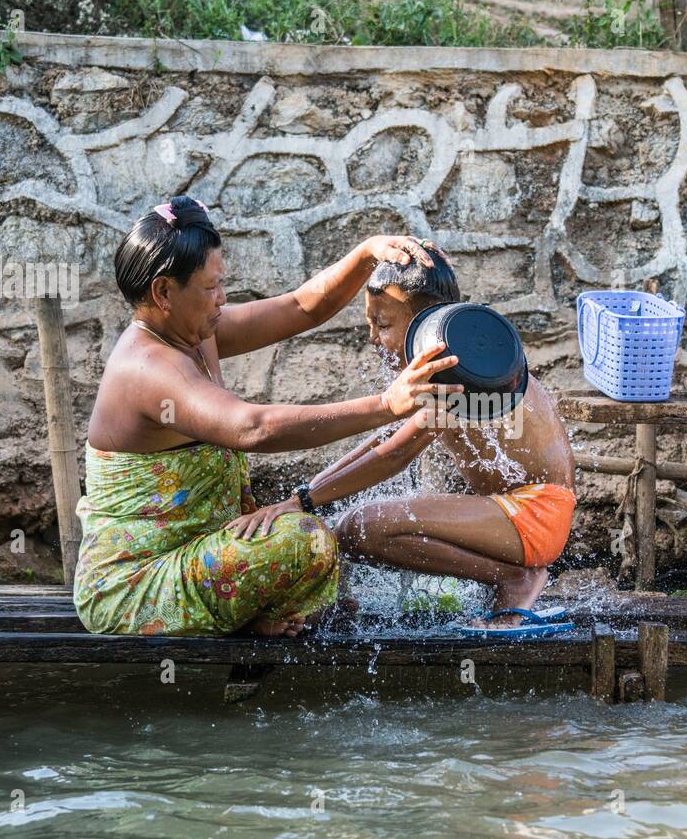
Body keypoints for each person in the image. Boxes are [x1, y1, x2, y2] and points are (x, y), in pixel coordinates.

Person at [73, 195, 460, 637]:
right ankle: (248, 623)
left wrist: (368, 252)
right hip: (132, 588)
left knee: (324, 568)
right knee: (306, 542)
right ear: (163, 292)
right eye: (211, 287)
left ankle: (254, 620)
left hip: (196, 554)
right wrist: (387, 405)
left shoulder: (194, 332)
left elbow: (301, 308)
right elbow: (250, 428)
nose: (222, 299)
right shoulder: (146, 367)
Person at [293, 253, 576, 625]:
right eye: (369, 323)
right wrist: (305, 495)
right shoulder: (454, 365)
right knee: (345, 524)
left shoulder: (453, 374)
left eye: (382, 324)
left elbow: (391, 457)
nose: (373, 338)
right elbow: (382, 441)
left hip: (536, 514)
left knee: (358, 526)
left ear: (423, 324)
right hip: (516, 511)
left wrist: (303, 501)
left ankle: (515, 578)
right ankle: (337, 602)